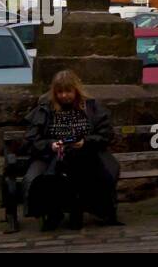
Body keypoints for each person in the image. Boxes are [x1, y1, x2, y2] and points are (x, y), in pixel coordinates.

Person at [23, 70, 120, 231]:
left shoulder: (91, 107)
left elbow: (105, 134)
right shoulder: (45, 109)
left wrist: (85, 142)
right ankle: (52, 213)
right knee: (39, 177)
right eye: (60, 92)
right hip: (50, 155)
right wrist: (51, 145)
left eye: (68, 91)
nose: (64, 96)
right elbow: (32, 139)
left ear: (76, 90)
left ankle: (82, 211)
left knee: (89, 170)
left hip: (86, 153)